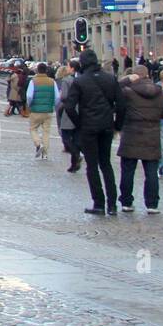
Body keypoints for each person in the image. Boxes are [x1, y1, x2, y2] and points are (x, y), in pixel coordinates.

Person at [62, 48, 121, 214]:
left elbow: (69, 106)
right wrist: (117, 125)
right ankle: (112, 205)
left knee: (92, 166)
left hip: (88, 127)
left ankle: (99, 203)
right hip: (106, 126)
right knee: (106, 164)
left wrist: (79, 124)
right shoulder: (110, 79)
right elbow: (122, 104)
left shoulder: (80, 81)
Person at [115, 66, 163, 214]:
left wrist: (125, 80)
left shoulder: (128, 92)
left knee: (128, 171)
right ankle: (152, 204)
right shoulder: (160, 93)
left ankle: (126, 202)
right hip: (151, 137)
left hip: (131, 135)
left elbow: (112, 92)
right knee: (151, 173)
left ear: (134, 75)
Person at [26, 63, 60, 161]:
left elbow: (29, 96)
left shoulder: (33, 81)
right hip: (48, 111)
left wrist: (30, 105)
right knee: (46, 132)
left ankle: (38, 144)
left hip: (36, 110)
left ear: (37, 70)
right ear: (46, 71)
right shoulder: (52, 82)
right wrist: (53, 105)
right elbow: (57, 97)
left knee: (33, 129)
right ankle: (45, 154)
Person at [56, 64, 82, 173]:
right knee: (75, 137)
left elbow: (64, 96)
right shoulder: (78, 79)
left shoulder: (66, 81)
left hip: (68, 110)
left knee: (65, 136)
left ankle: (76, 154)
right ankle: (73, 164)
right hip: (79, 109)